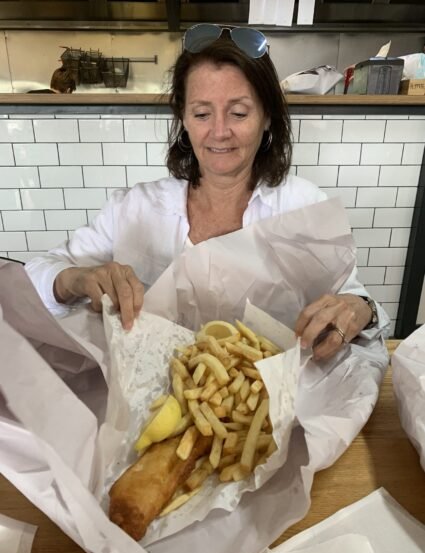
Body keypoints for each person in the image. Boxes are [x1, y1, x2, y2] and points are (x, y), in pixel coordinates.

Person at [25, 24, 389, 361]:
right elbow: (31, 280)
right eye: (201, 114)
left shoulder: (304, 207)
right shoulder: (134, 209)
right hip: (146, 411)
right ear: (183, 119)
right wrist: (74, 279)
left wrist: (359, 309)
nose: (219, 132)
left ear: (266, 118)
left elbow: (359, 303)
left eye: (239, 113)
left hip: (273, 412)